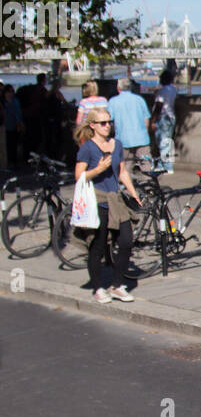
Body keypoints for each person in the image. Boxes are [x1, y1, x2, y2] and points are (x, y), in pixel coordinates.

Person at [74, 107, 142, 304]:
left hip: (116, 199)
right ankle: (97, 288)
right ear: (93, 126)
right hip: (97, 200)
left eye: (109, 122)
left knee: (127, 241)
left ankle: (117, 285)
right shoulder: (87, 148)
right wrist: (98, 169)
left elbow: (121, 172)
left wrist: (133, 192)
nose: (107, 126)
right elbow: (79, 176)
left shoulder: (117, 145)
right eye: (103, 123)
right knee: (98, 246)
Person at [109, 76, 152, 160]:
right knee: (146, 165)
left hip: (123, 139)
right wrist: (145, 132)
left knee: (125, 167)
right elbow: (146, 119)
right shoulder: (140, 100)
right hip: (142, 139)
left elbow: (109, 120)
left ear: (118, 88)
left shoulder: (113, 101)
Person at [151, 69, 177, 173]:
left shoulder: (162, 91)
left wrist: (153, 121)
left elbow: (158, 106)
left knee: (162, 142)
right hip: (171, 116)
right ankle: (164, 164)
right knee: (168, 142)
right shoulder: (173, 89)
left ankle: (166, 166)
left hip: (163, 117)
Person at [2, 83, 25, 168]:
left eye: (12, 91)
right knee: (6, 145)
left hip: (15, 125)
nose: (11, 93)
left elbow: (18, 113)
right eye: (9, 91)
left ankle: (14, 162)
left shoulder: (16, 101)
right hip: (5, 126)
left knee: (14, 144)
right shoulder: (3, 102)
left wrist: (20, 123)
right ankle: (7, 162)